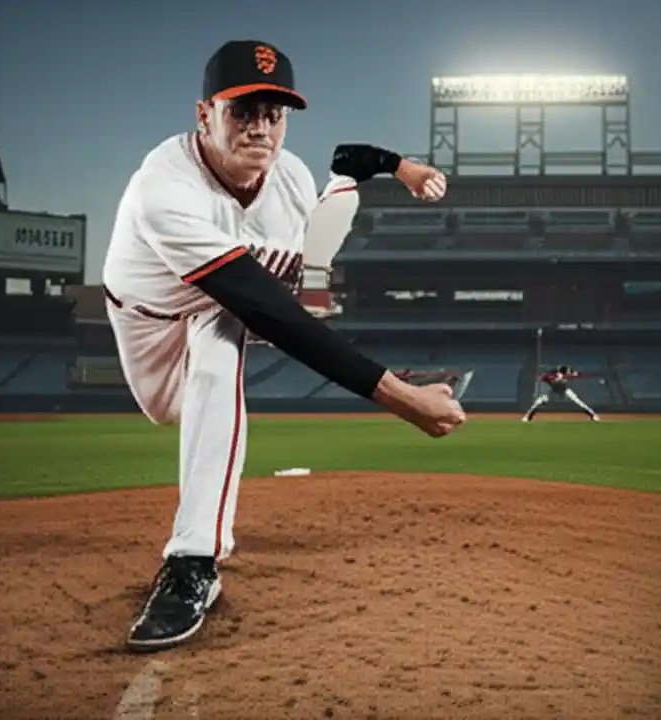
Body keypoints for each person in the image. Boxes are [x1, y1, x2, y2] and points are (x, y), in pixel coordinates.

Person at [101, 39, 465, 651]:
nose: (261, 126)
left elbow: (346, 165)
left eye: (275, 112)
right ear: (204, 115)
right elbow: (267, 306)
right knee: (218, 332)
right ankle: (195, 556)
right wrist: (401, 396)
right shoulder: (164, 185)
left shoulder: (293, 180)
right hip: (149, 324)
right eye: (243, 110)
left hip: (220, 314)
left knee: (220, 337)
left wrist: (401, 167)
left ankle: (194, 561)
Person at [522, 365, 600, 422]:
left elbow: (576, 374)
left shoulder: (566, 375)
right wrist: (548, 377)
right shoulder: (549, 376)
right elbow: (541, 378)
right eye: (567, 372)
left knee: (578, 401)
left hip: (564, 390)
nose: (568, 372)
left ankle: (593, 415)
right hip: (553, 391)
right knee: (539, 401)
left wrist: (574, 374)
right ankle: (528, 417)